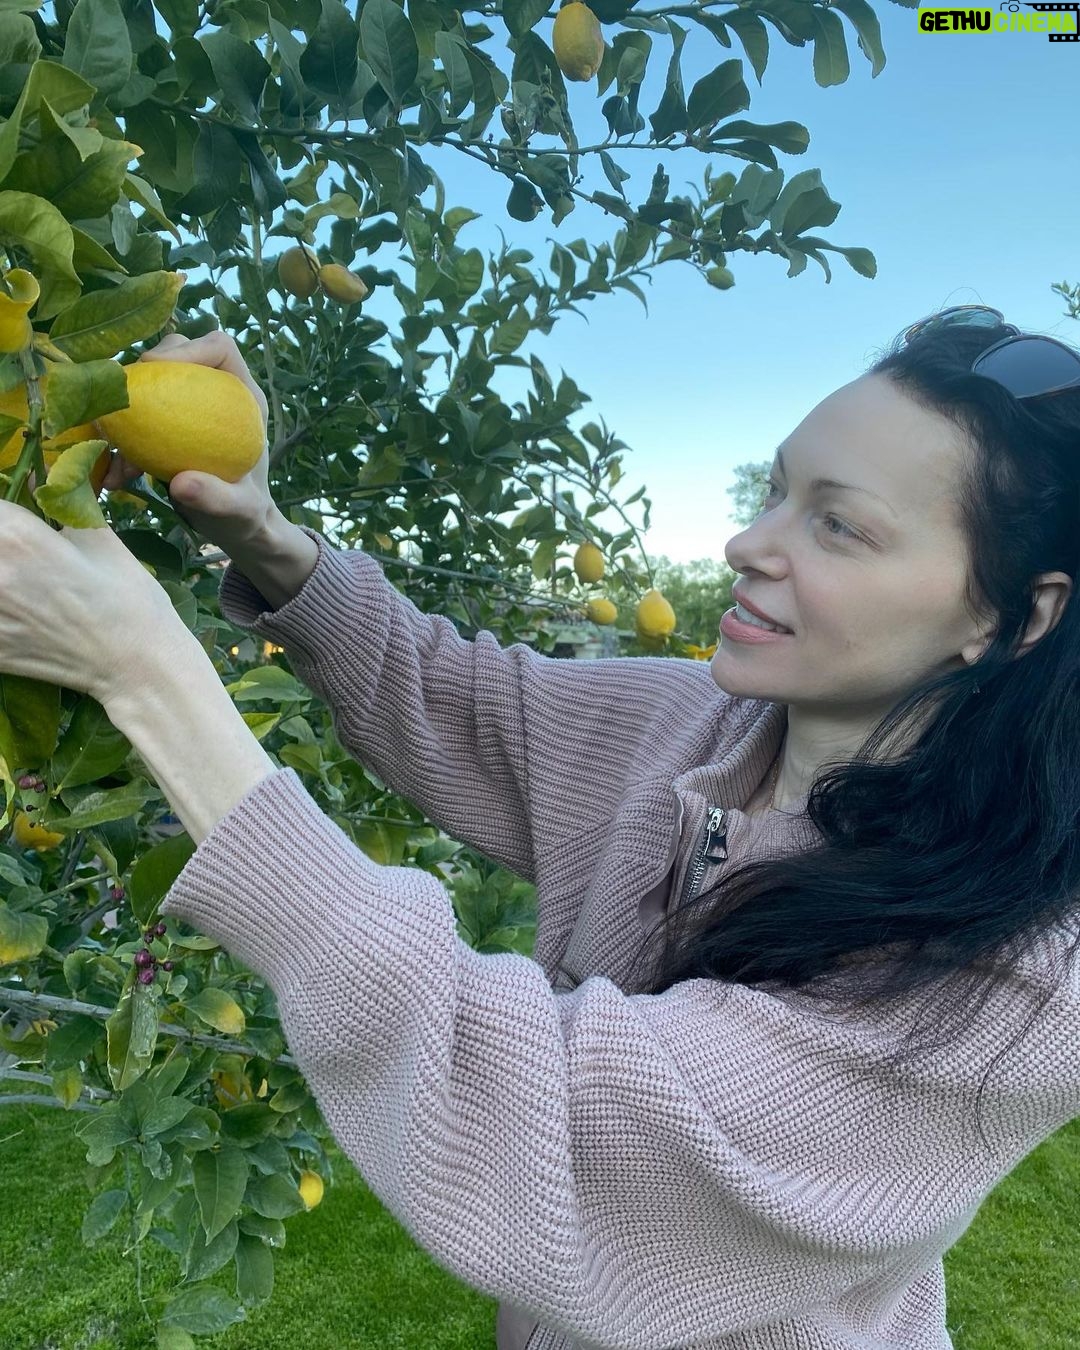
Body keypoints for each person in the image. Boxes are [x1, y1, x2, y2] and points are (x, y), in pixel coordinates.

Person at [101, 307, 1079, 1349]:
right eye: (777, 491)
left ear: (1015, 617)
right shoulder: (693, 718)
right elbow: (454, 694)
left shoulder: (1015, 979)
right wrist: (264, 533)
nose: (750, 543)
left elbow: (560, 1138)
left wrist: (148, 676)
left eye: (838, 525)